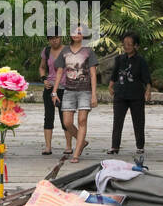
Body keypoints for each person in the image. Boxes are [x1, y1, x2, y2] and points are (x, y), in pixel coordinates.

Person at [52, 23, 98, 163]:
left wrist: (94, 94)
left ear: (83, 35)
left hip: (85, 90)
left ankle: (76, 154)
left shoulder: (88, 51)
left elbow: (93, 74)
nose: (76, 34)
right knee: (67, 123)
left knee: (82, 120)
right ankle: (81, 141)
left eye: (79, 32)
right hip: (69, 90)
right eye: (73, 31)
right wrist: (54, 91)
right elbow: (59, 71)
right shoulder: (65, 50)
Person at [107, 31, 151, 165]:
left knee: (138, 120)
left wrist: (148, 91)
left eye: (130, 44)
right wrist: (110, 86)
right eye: (125, 44)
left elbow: (146, 78)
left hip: (136, 95)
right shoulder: (119, 59)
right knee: (117, 121)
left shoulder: (141, 61)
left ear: (136, 46)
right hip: (120, 93)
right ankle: (115, 146)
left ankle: (140, 145)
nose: (127, 47)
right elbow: (114, 75)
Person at [38, 30, 67, 156]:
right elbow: (42, 67)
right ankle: (48, 147)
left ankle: (69, 146)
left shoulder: (68, 50)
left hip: (65, 87)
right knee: (48, 116)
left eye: (56, 37)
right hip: (49, 87)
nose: (54, 40)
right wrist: (43, 79)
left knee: (65, 117)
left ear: (61, 37)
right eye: (51, 38)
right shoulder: (46, 51)